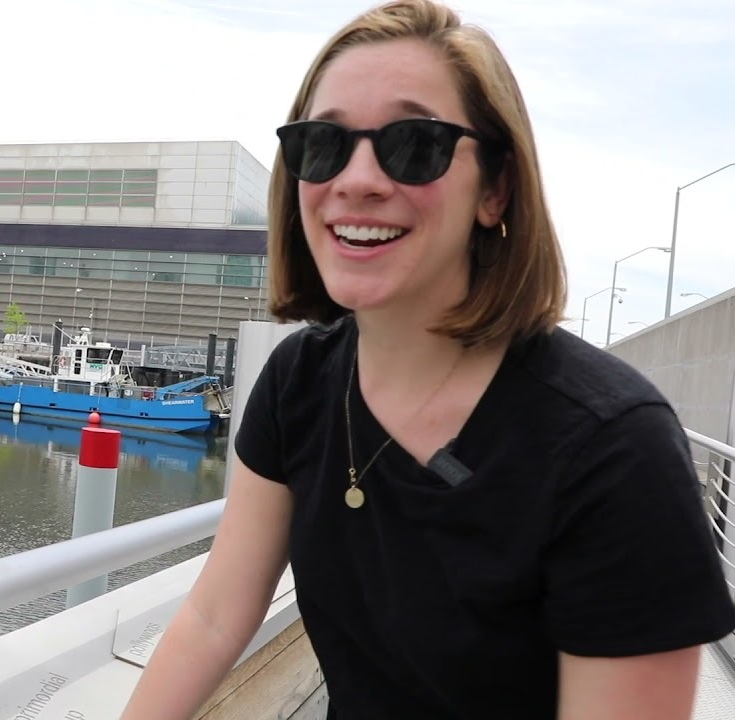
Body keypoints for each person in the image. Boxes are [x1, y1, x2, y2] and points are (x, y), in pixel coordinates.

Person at [119, 1, 735, 718]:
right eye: (323, 144)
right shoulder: (298, 384)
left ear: (496, 188)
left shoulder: (612, 447)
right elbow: (214, 618)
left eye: (413, 144)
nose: (356, 179)